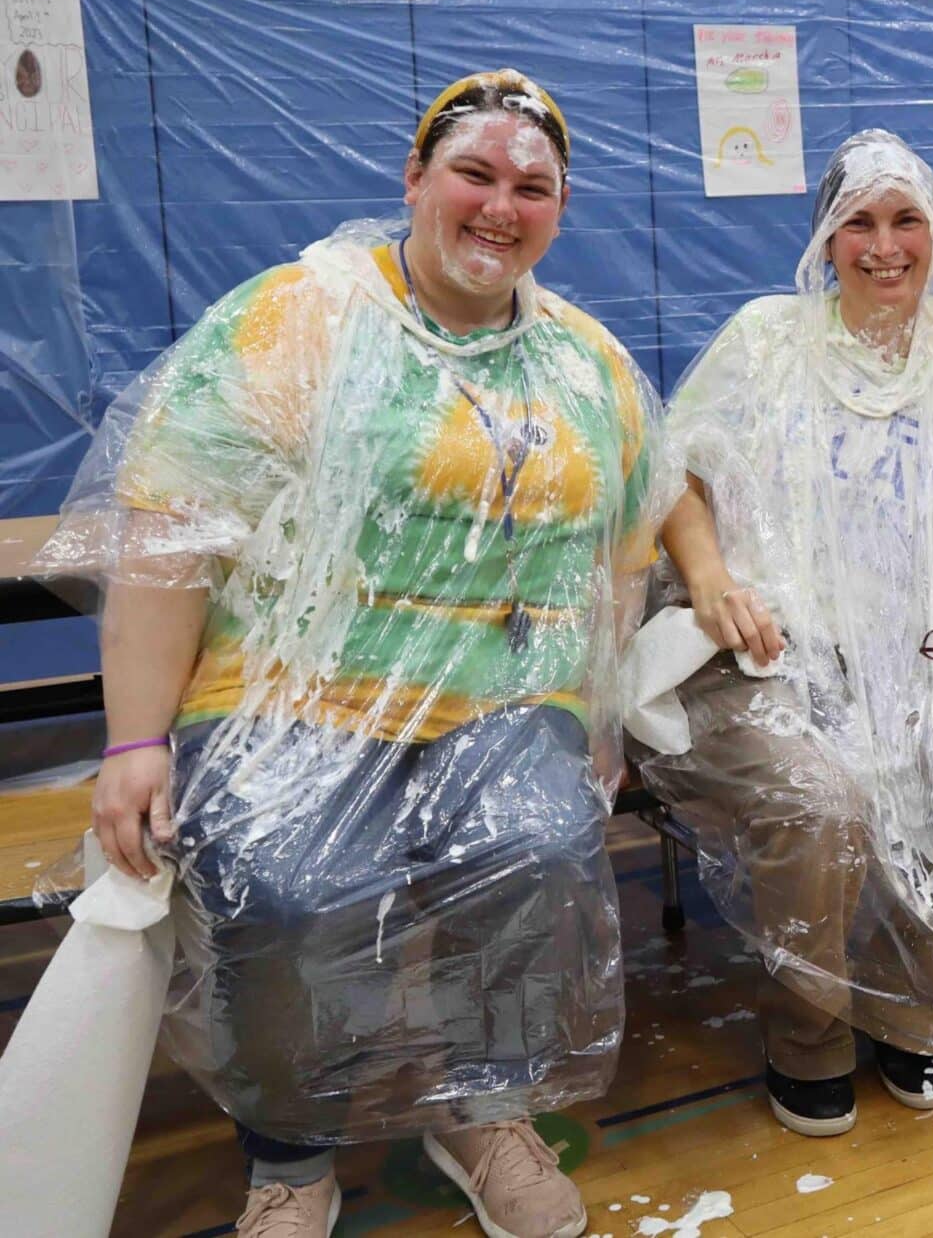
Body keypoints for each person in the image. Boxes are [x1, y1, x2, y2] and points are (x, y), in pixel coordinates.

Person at [39, 70, 661, 1238]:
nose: (498, 205)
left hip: (502, 693)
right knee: (284, 878)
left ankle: (486, 1109)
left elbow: (617, 563)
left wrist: (606, 716)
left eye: (531, 187)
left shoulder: (588, 368)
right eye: (472, 173)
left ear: (560, 212)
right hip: (288, 688)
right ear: (415, 180)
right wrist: (132, 740)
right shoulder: (297, 316)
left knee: (538, 841)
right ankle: (290, 1151)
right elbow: (170, 539)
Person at [638, 131, 933, 1139]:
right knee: (823, 800)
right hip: (754, 652)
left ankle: (911, 1002)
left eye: (904, 220)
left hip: (890, 655)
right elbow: (674, 477)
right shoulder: (765, 340)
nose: (882, 246)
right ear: (824, 241)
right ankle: (810, 1031)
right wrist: (709, 581)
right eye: (856, 223)